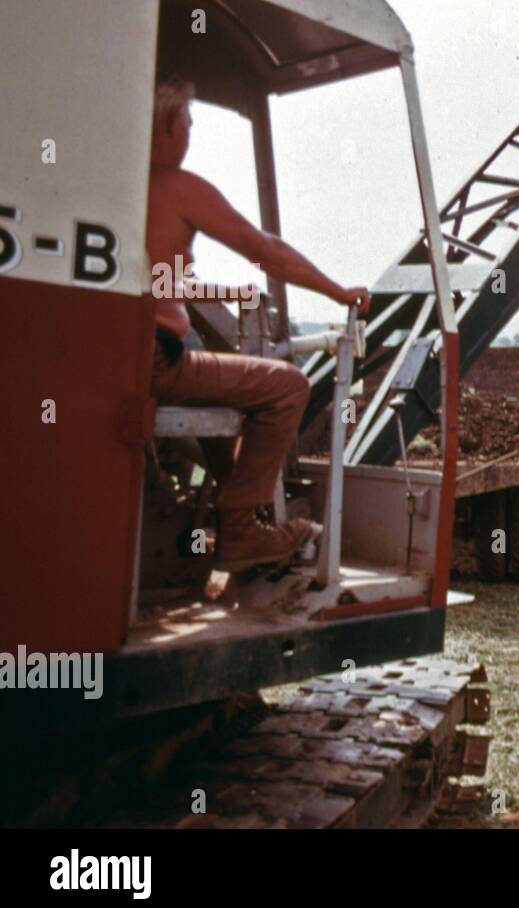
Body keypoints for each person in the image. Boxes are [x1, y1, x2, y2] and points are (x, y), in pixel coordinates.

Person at [146, 75, 370, 572]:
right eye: (186, 121)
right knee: (287, 386)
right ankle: (242, 531)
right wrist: (338, 291)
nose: (190, 132)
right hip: (155, 361)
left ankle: (228, 515)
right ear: (165, 126)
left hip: (121, 356)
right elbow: (266, 250)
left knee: (223, 384)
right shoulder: (177, 186)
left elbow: (162, 284)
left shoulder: (120, 189)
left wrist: (229, 293)